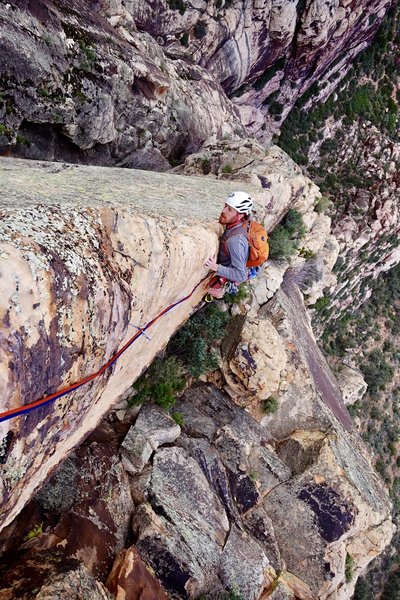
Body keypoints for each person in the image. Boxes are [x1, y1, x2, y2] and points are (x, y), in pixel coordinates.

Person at [204, 191, 253, 298]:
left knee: (211, 291)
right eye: (225, 206)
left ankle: (222, 290)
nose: (223, 210)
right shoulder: (236, 226)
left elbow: (241, 275)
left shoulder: (235, 241)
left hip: (229, 274)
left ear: (240, 215)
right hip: (231, 265)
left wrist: (215, 267)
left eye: (229, 209)